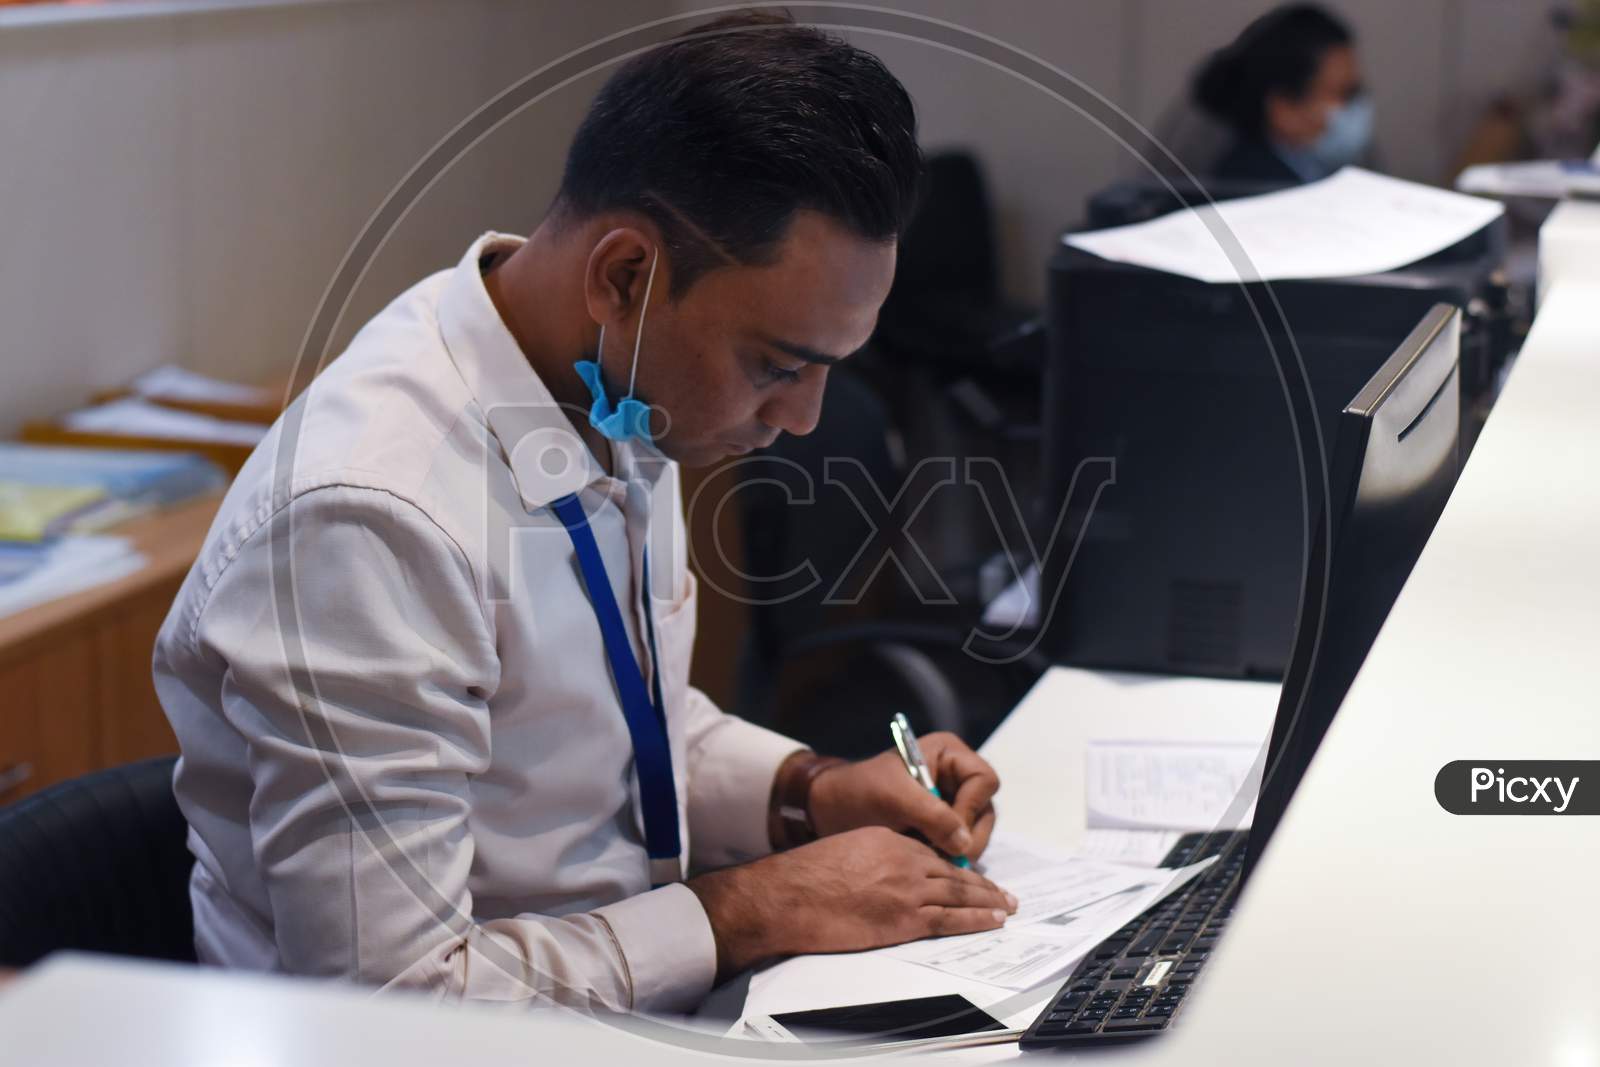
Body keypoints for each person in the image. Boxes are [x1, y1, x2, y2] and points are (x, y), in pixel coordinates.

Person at [152, 11, 1018, 1015]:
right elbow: (389, 998)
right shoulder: (371, 518)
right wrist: (747, 907)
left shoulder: (604, 385)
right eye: (777, 364)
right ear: (624, 276)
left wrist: (809, 787)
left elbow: (617, 724)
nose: (800, 418)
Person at [1193, 4, 1371, 184]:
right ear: (1283, 109)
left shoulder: (1315, 172)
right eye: (1343, 93)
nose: (1355, 105)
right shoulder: (1251, 188)